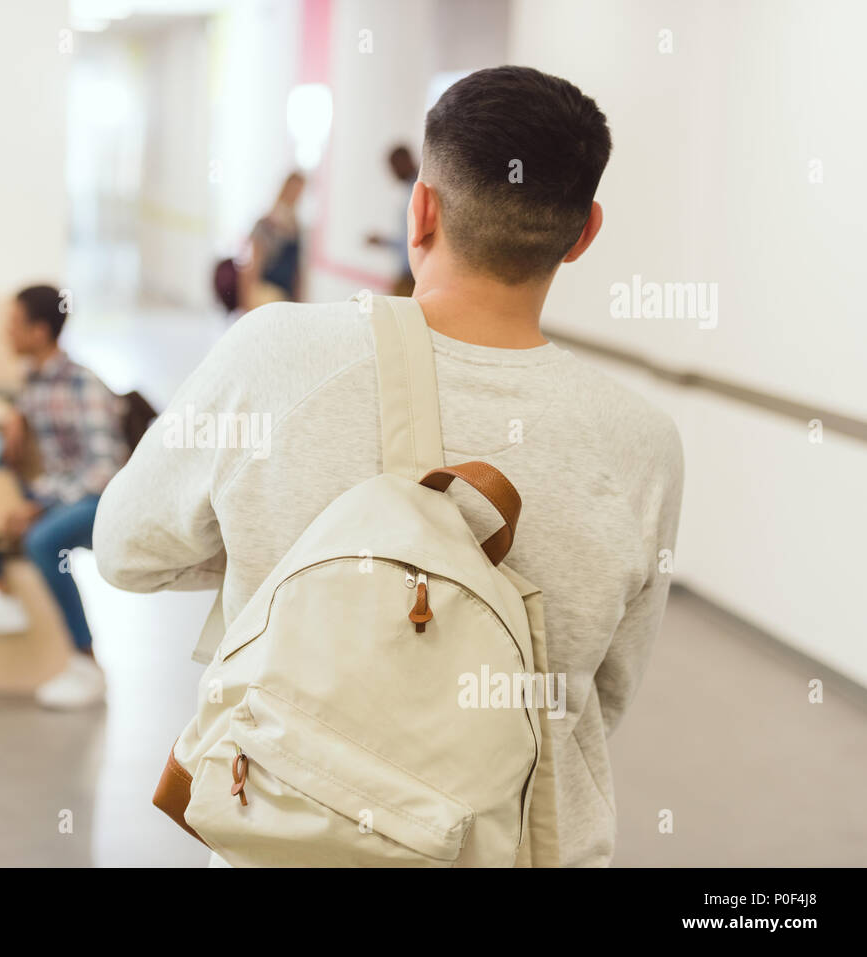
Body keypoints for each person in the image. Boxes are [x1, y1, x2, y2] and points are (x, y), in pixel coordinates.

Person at [93, 66, 684, 867]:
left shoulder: (278, 354)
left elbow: (127, 550)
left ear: (422, 210)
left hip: (291, 832)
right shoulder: (642, 441)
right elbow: (601, 698)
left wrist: (285, 558)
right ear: (584, 233)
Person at [0, 285, 129, 710]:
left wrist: (38, 505)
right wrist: (15, 416)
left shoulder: (83, 384)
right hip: (53, 492)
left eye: (14, 324)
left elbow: (106, 470)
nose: (6, 333)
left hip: (96, 501)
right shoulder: (33, 382)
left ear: (39, 331)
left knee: (44, 539)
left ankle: (87, 664)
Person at [237, 171, 305, 309]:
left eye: (299, 192)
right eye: (293, 190)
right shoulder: (265, 225)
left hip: (286, 298)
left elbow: (296, 271)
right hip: (265, 295)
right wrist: (245, 301)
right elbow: (252, 266)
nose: (295, 196)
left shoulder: (296, 229)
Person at [366, 144, 420, 295]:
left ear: (404, 162)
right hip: (407, 274)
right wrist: (384, 242)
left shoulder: (418, 190)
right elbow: (407, 241)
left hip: (413, 277)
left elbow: (415, 241)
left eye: (393, 167)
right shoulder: (410, 190)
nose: (393, 173)